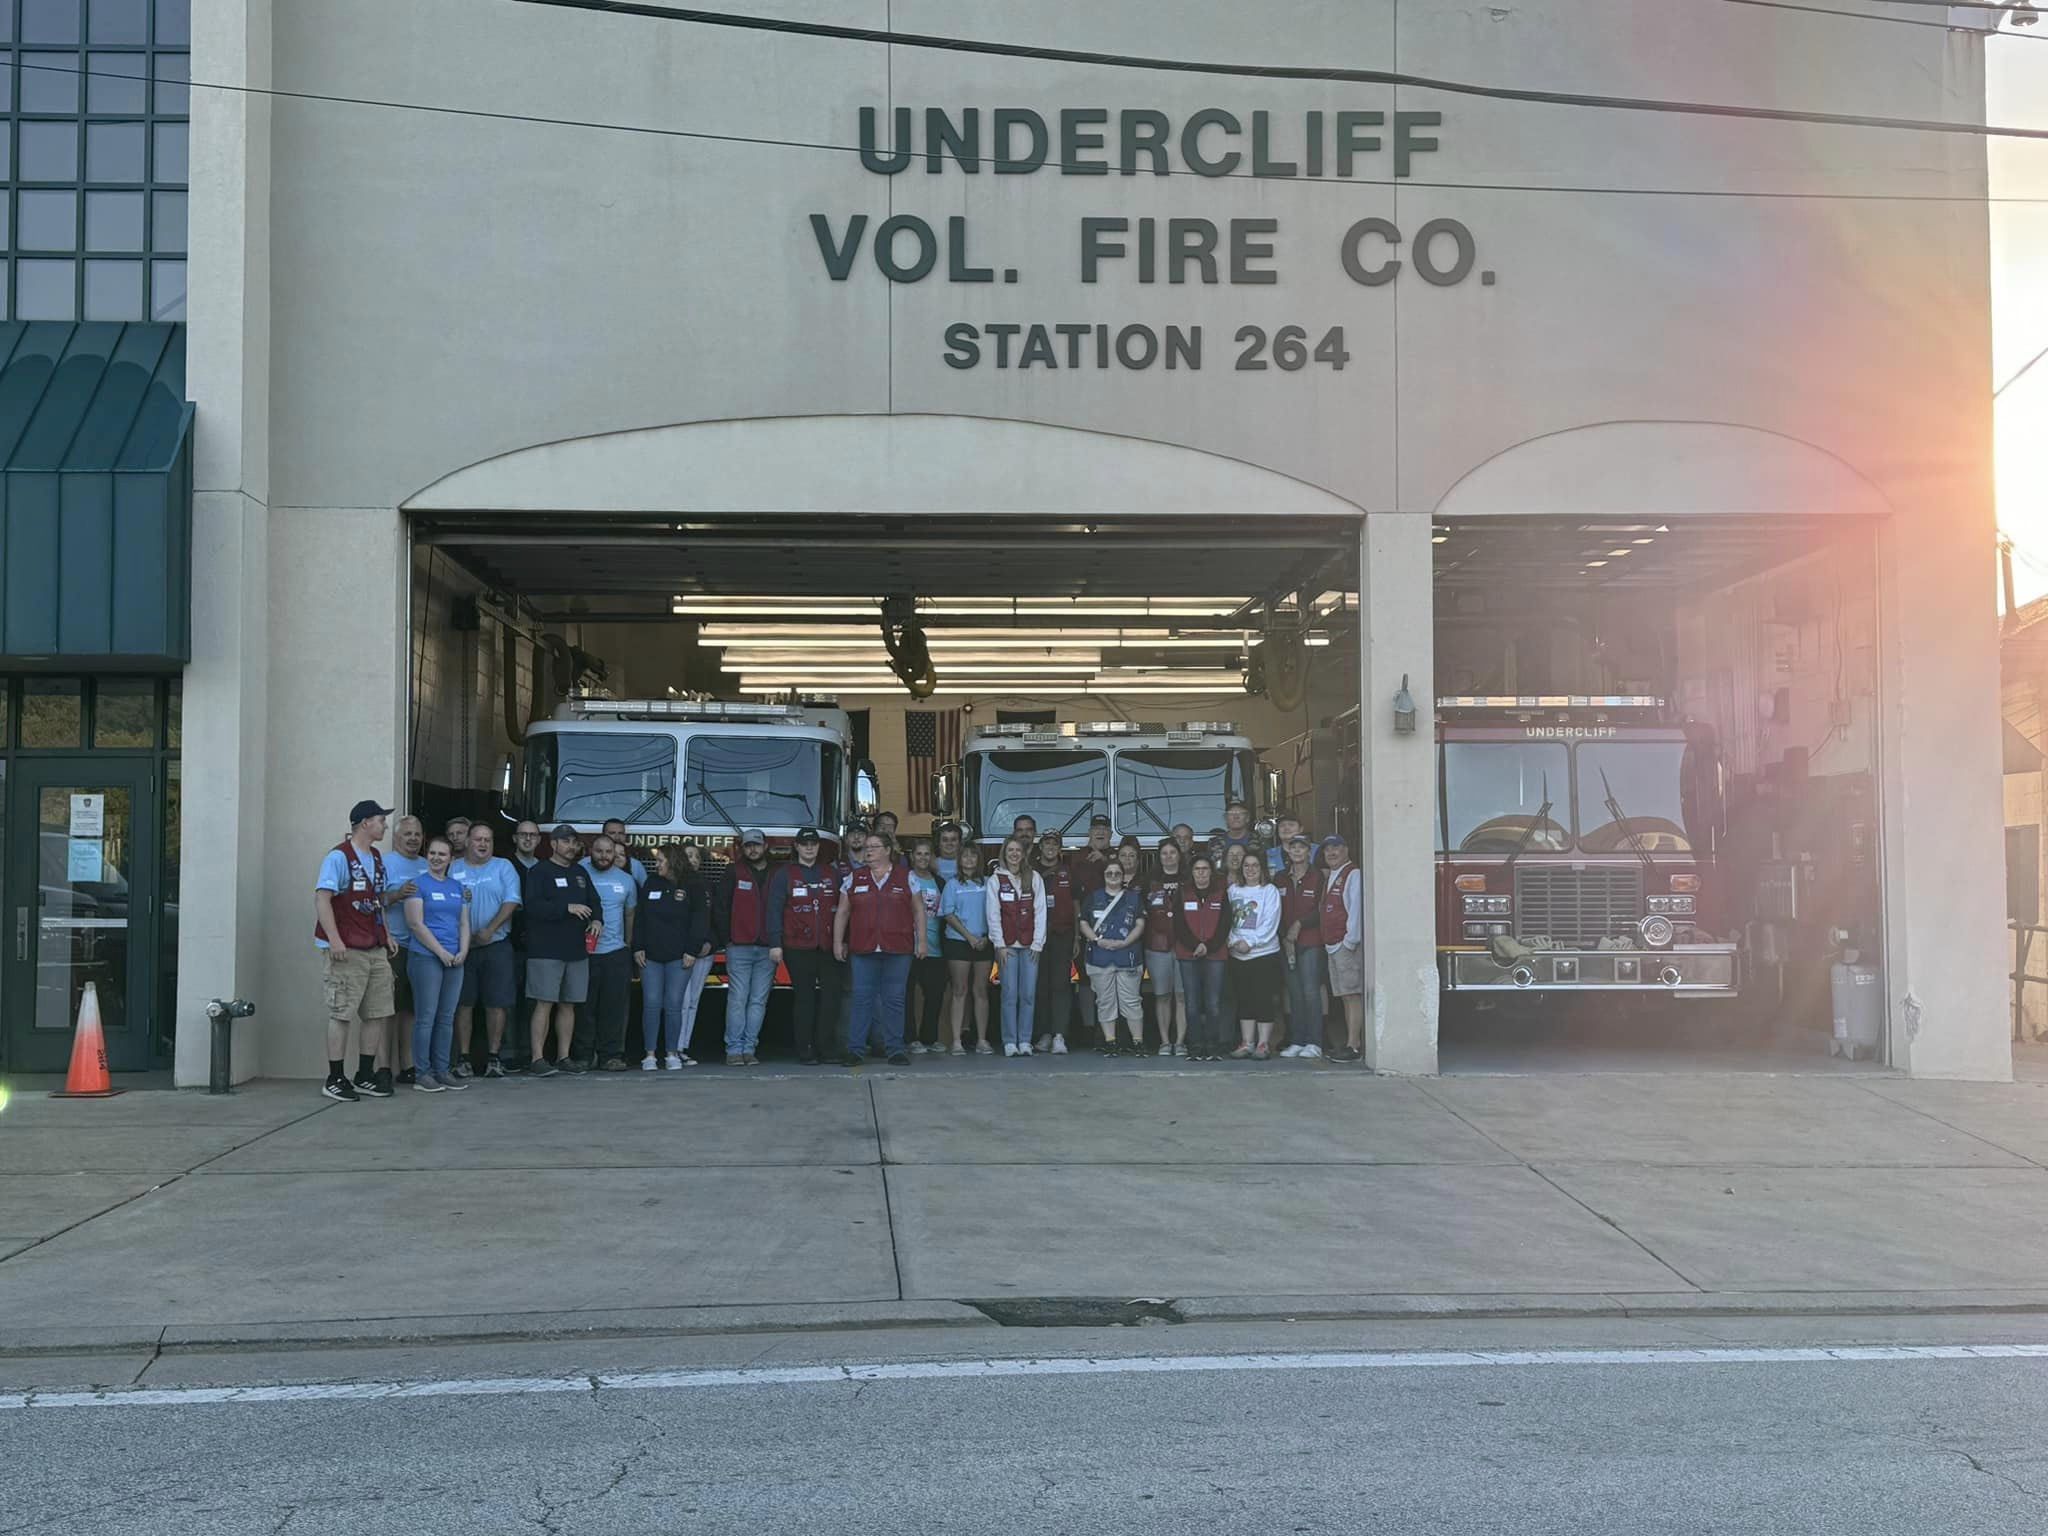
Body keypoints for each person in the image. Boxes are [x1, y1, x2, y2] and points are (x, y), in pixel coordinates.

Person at [313, 800, 401, 1101]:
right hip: (346, 948)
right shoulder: (338, 857)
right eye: (381, 820)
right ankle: (335, 1077)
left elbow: (378, 901)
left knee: (376, 1013)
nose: (385, 825)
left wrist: (387, 934)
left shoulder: (376, 857)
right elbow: (322, 900)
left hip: (374, 946)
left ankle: (365, 1074)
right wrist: (334, 940)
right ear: (365, 822)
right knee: (342, 1012)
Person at [834, 831, 925, 1066]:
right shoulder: (854, 878)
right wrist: (837, 942)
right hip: (863, 949)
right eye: (866, 847)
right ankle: (855, 1050)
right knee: (861, 999)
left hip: (898, 949)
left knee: (894, 1000)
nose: (869, 851)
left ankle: (895, 1049)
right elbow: (843, 912)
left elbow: (918, 911)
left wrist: (922, 941)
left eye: (874, 846)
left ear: (888, 850)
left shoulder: (907, 877)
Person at [523, 824, 598, 1076]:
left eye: (574, 842)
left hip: (576, 950)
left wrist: (597, 919)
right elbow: (532, 907)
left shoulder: (580, 873)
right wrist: (566, 908)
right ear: (553, 844)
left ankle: (563, 1057)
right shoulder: (539, 872)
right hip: (546, 949)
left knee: (569, 1004)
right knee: (544, 1003)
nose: (570, 847)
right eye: (565, 841)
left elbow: (594, 902)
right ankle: (537, 1059)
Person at [450, 822, 522, 1078]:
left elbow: (512, 900)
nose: (483, 844)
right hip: (463, 948)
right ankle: (464, 1059)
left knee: (496, 1004)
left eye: (488, 840)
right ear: (467, 841)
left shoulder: (503, 867)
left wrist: (491, 929)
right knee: (463, 1004)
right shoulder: (454, 867)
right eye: (478, 839)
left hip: (497, 946)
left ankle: (494, 1058)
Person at [766, 827, 843, 1065]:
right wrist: (775, 943)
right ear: (797, 847)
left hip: (829, 946)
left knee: (831, 997)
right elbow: (774, 909)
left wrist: (843, 941)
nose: (809, 848)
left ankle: (826, 1047)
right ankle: (805, 1048)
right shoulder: (784, 874)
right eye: (805, 844)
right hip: (797, 946)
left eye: (813, 843)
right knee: (804, 998)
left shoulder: (831, 873)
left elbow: (844, 910)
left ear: (818, 847)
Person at [402, 835, 471, 1092]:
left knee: (446, 1017)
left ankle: (442, 1070)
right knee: (426, 1017)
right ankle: (423, 1073)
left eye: (442, 854)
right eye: (432, 853)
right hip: (426, 958)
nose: (436, 858)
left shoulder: (457, 887)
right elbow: (415, 924)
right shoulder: (417, 885)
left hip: (455, 960)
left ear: (451, 859)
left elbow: (464, 922)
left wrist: (463, 950)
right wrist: (441, 952)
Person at [636, 843, 710, 1069]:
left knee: (674, 1003)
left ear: (673, 861)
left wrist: (692, 950)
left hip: (680, 956)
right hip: (650, 956)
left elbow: (700, 919)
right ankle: (649, 1055)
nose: (656, 863)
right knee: (651, 1002)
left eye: (660, 860)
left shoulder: (693, 884)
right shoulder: (651, 882)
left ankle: (671, 1053)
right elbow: (640, 917)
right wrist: (637, 946)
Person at [715, 829, 776, 1066]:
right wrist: (726, 938)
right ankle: (733, 1049)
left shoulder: (776, 873)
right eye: (748, 845)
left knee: (758, 1000)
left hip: (767, 948)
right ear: (743, 848)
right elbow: (721, 907)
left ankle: (749, 1048)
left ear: (765, 847)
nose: (753, 849)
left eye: (756, 845)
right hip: (738, 946)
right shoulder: (732, 871)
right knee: (738, 999)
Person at [579, 835, 640, 1070]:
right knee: (584, 1008)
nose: (603, 856)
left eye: (608, 852)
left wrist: (627, 944)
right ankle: (584, 1055)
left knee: (613, 1008)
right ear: (590, 852)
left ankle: (611, 1055)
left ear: (615, 854)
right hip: (585, 953)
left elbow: (630, 914)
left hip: (615, 952)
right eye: (599, 851)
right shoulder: (580, 875)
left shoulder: (626, 880)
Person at [380, 815, 429, 1086]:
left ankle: (408, 1065)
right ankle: (384, 1067)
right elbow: (376, 901)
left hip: (421, 948)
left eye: (417, 834)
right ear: (396, 837)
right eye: (408, 834)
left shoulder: (426, 864)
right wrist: (397, 894)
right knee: (387, 1009)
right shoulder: (384, 863)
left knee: (410, 1009)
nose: (413, 839)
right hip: (393, 946)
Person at [1079, 856, 1145, 1055]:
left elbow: (1141, 924)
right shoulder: (1093, 897)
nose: (1114, 876)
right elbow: (1083, 923)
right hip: (1100, 956)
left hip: (1128, 955)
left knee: (1131, 1000)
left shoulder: (1134, 898)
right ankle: (1110, 1042)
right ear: (1104, 876)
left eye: (1117, 873)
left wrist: (1126, 942)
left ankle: (1138, 1042)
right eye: (1109, 873)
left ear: (1123, 876)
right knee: (1105, 1001)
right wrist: (1097, 941)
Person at [986, 835, 1046, 1055]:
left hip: (1031, 945)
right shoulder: (995, 880)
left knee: (1028, 995)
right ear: (1004, 853)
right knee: (1009, 994)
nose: (1014, 854)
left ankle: (1025, 1041)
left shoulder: (1035, 877)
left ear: (1023, 854)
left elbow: (1041, 911)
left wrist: (1038, 943)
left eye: (1017, 850)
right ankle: (1009, 1040)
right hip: (1007, 946)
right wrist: (999, 944)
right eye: (1010, 850)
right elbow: (993, 914)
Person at [1174, 852, 1233, 1061]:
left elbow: (1226, 923)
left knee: (1213, 1003)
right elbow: (1178, 925)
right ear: (1192, 872)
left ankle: (1213, 1046)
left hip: (1215, 954)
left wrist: (1208, 946)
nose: (1201, 873)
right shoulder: (1182, 892)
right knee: (1191, 1003)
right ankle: (1195, 1047)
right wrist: (1195, 945)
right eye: (1197, 869)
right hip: (1187, 954)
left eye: (1205, 869)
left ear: (1211, 871)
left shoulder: (1221, 892)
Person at [1227, 848, 1284, 1060]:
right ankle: (1247, 1042)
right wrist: (1234, 942)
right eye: (1246, 865)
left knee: (1263, 999)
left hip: (1264, 954)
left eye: (1255, 865)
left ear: (1262, 869)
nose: (1250, 869)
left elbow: (1271, 923)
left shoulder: (1270, 891)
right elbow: (1227, 920)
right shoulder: (1233, 890)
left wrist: (1250, 942)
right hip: (1238, 954)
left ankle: (1263, 1044)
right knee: (1244, 999)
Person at [1278, 832, 1328, 1060]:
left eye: (1302, 847)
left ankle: (1315, 1042)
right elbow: (1274, 911)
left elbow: (1323, 910)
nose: (1297, 851)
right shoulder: (1279, 878)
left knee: (1310, 992)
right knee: (1295, 995)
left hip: (1310, 943)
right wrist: (1283, 937)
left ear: (1310, 851)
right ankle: (1297, 1041)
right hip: (1287, 945)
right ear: (1287, 851)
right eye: (1293, 847)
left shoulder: (1318, 877)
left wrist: (1300, 923)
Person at [939, 841, 991, 1055]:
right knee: (960, 990)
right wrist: (969, 937)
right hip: (959, 942)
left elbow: (995, 912)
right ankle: (957, 1040)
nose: (969, 860)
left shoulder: (988, 883)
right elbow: (948, 914)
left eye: (973, 856)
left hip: (984, 942)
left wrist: (987, 937)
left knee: (981, 990)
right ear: (959, 860)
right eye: (965, 856)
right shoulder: (952, 884)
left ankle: (981, 1039)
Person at [1320, 834, 1366, 1063]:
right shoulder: (1333, 875)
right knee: (1345, 997)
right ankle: (1350, 1042)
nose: (1331, 852)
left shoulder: (1353, 874)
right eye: (1327, 849)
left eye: (1336, 847)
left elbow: (1356, 910)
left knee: (1352, 995)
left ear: (1346, 849)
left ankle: (1353, 1045)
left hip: (1345, 945)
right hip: (1333, 945)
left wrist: (1349, 941)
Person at [503, 819, 544, 1071]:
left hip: (539, 946)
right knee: (508, 999)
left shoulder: (545, 869)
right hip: (509, 942)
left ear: (539, 840)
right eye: (523, 835)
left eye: (533, 835)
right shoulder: (505, 867)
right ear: (515, 839)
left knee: (534, 1001)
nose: (528, 839)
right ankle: (508, 1054)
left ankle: (531, 1053)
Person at [672, 842, 718, 1058]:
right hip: (680, 952)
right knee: (680, 1000)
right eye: (688, 855)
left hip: (704, 952)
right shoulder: (671, 883)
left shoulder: (708, 885)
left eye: (696, 857)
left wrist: (711, 943)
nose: (692, 860)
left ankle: (684, 1047)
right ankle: (673, 1046)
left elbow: (714, 919)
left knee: (693, 1002)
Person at [1033, 829, 1077, 1053]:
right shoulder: (1029, 872)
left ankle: (1060, 1035)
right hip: (1036, 938)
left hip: (1063, 935)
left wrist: (1077, 936)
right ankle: (1045, 1034)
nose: (1050, 847)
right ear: (1040, 847)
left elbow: (1076, 905)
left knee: (1061, 985)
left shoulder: (1068, 872)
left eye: (1055, 844)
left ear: (1059, 849)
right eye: (1047, 844)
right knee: (1041, 986)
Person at [1144, 838, 1188, 1056]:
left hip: (1184, 944)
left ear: (1180, 855)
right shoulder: (1150, 880)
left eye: (1172, 852)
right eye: (1164, 853)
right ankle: (1164, 1041)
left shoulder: (1189, 879)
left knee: (1181, 996)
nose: (1168, 856)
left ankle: (1179, 1042)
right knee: (1162, 995)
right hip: (1157, 946)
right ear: (1158, 856)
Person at [905, 838, 948, 1053]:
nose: (922, 858)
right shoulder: (905, 879)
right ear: (912, 856)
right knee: (907, 995)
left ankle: (930, 1038)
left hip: (935, 947)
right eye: (918, 853)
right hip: (908, 947)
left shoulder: (940, 882)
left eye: (926, 854)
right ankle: (911, 1038)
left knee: (935, 994)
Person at [600, 818, 650, 887]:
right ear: (603, 835)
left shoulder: (636, 865)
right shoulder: (586, 863)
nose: (617, 837)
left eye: (621, 833)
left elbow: (645, 891)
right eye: (612, 833)